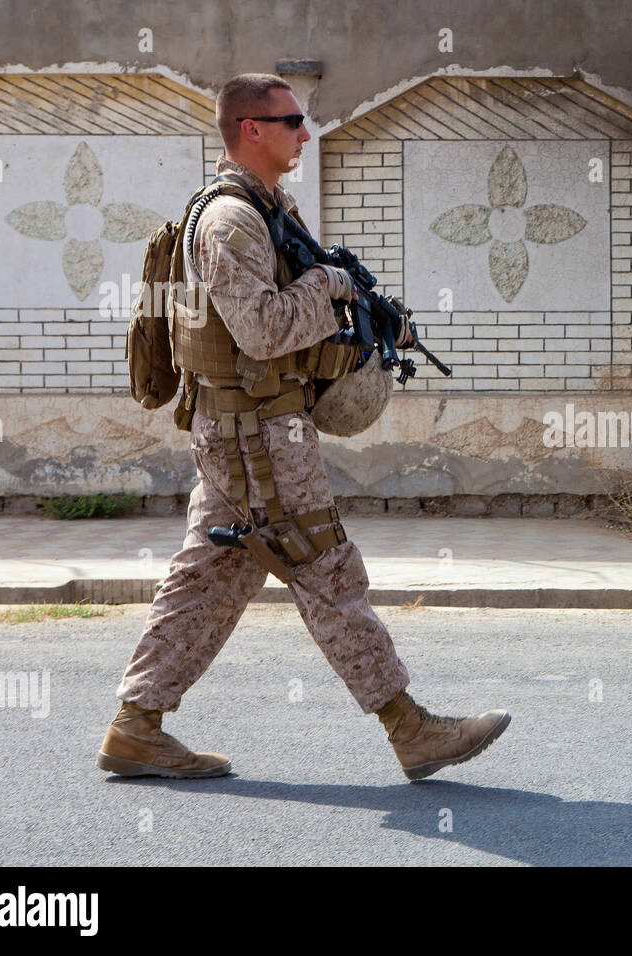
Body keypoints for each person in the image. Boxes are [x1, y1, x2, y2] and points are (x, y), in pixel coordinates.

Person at [97, 73, 509, 782]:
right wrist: (329, 287)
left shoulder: (265, 209)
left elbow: (287, 318)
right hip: (257, 436)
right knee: (325, 569)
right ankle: (411, 730)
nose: (305, 134)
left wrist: (374, 325)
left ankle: (136, 727)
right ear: (250, 129)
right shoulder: (229, 222)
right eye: (292, 121)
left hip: (245, 432)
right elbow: (262, 330)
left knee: (210, 576)